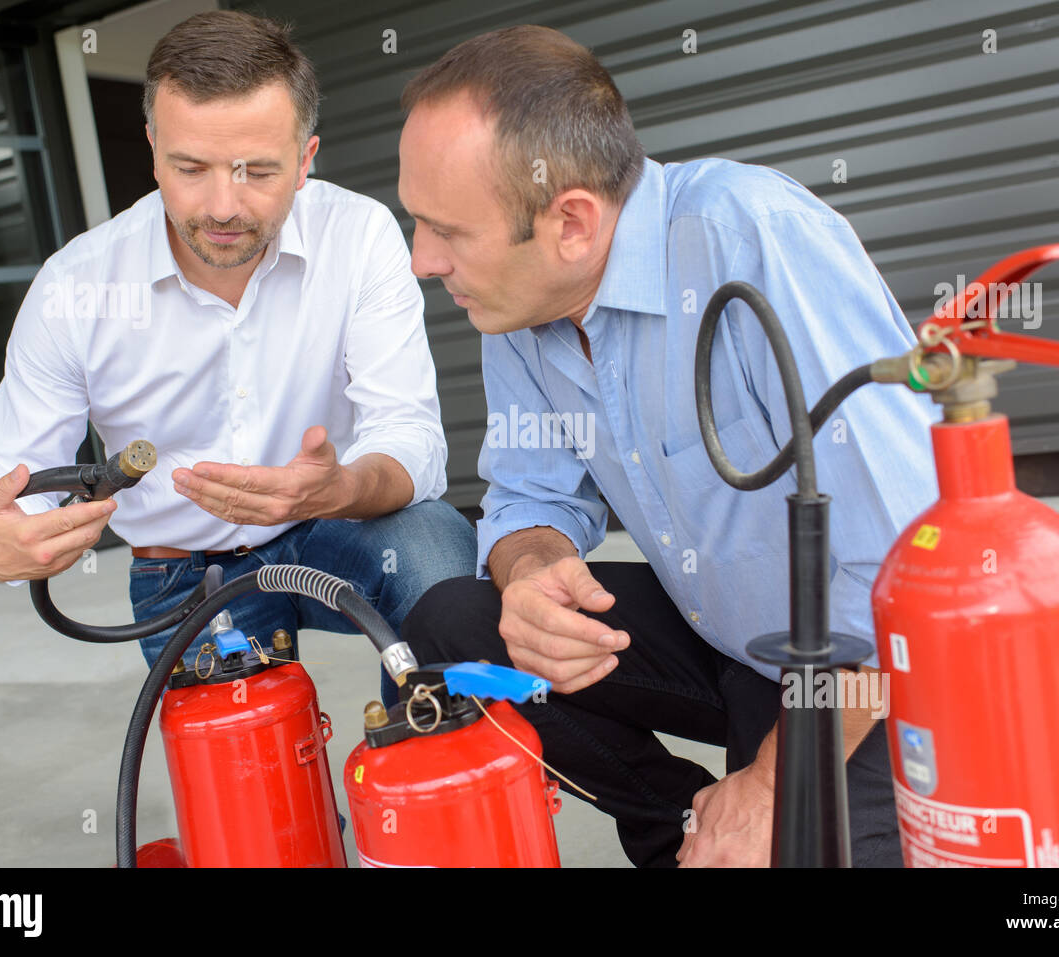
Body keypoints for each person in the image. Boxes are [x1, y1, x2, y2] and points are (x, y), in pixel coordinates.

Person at [396, 25, 941, 866]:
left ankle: (746, 816)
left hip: (860, 674)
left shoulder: (753, 239)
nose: (421, 260)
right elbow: (531, 499)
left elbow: (907, 569)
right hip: (719, 634)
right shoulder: (516, 298)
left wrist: (770, 785)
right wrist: (532, 575)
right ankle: (681, 826)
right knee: (452, 634)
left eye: (446, 231)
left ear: (570, 222)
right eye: (415, 224)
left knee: (810, 842)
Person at [0, 11, 475, 704]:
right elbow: (5, 480)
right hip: (183, 574)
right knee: (246, 789)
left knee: (435, 546)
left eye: (258, 170)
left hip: (338, 530)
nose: (223, 206)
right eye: (190, 168)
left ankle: (422, 787)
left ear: (306, 158)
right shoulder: (76, 285)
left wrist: (338, 489)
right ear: (151, 148)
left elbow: (411, 439)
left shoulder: (359, 237)